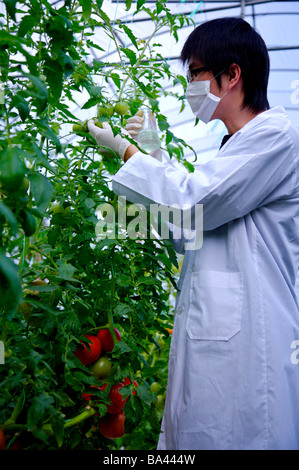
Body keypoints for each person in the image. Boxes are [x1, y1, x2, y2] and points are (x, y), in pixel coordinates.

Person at [87, 17, 299, 450]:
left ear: (232, 74)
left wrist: (125, 150)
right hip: (217, 341)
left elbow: (191, 202)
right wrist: (155, 154)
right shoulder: (231, 151)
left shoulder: (277, 136)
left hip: (253, 349)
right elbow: (188, 232)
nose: (190, 84)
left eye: (197, 72)